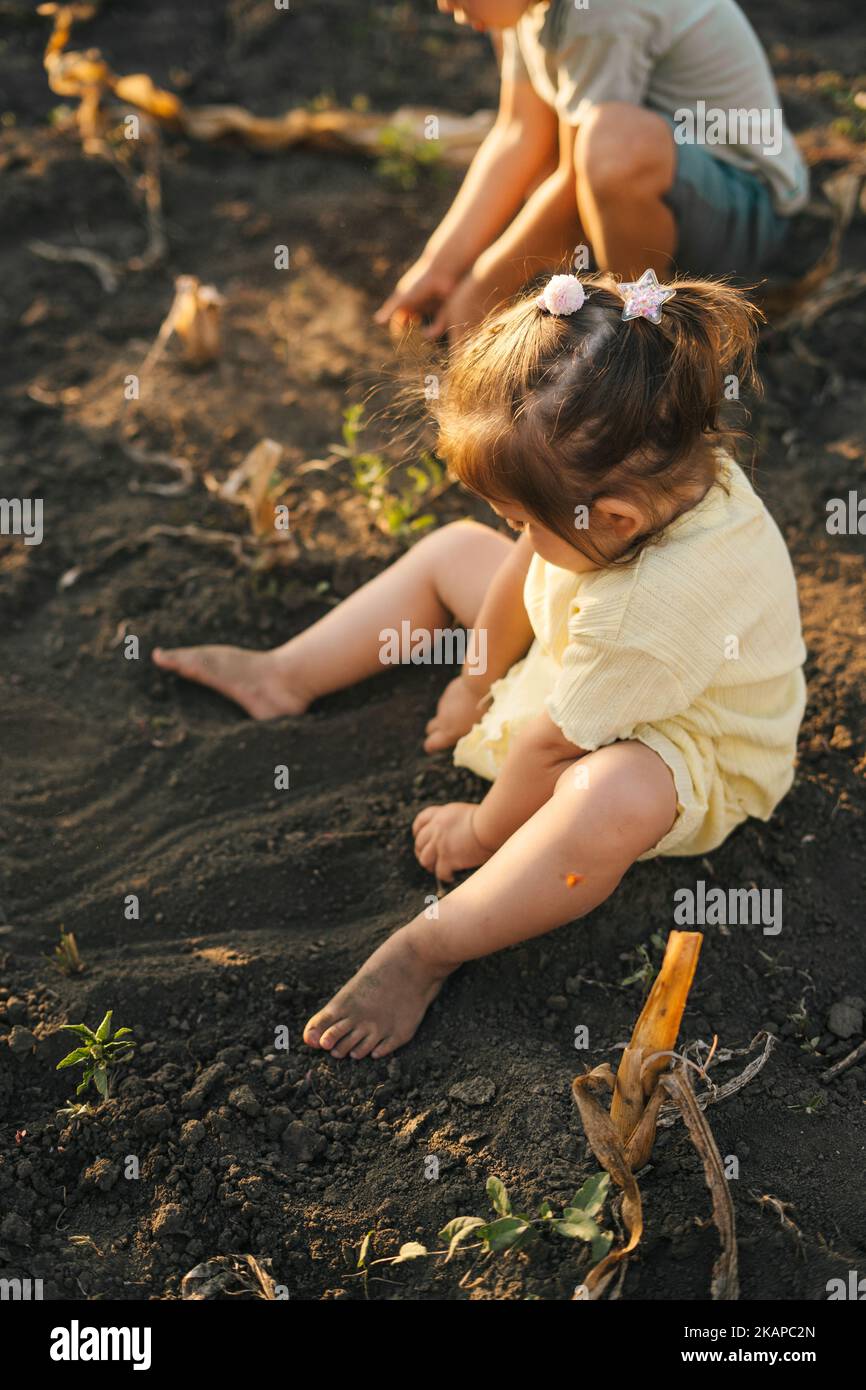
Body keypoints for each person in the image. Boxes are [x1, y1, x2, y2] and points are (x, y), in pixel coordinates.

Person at [153, 269, 807, 1060]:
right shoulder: (657, 471)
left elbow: (553, 747)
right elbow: (532, 558)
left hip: (692, 743)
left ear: (614, 518)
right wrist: (473, 680)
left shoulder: (649, 609)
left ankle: (432, 945)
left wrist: (480, 829)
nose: (516, 529)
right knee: (459, 553)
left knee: (608, 794)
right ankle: (284, 673)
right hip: (600, 656)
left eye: (520, 515)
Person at [375, 0, 808, 343]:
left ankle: (645, 340)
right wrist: (439, 267)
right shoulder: (529, 10)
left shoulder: (600, 11)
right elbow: (519, 132)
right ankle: (620, 299)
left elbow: (573, 182)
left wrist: (480, 296)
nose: (444, 4)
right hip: (674, 194)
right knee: (564, 157)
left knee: (611, 145)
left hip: (749, 213)